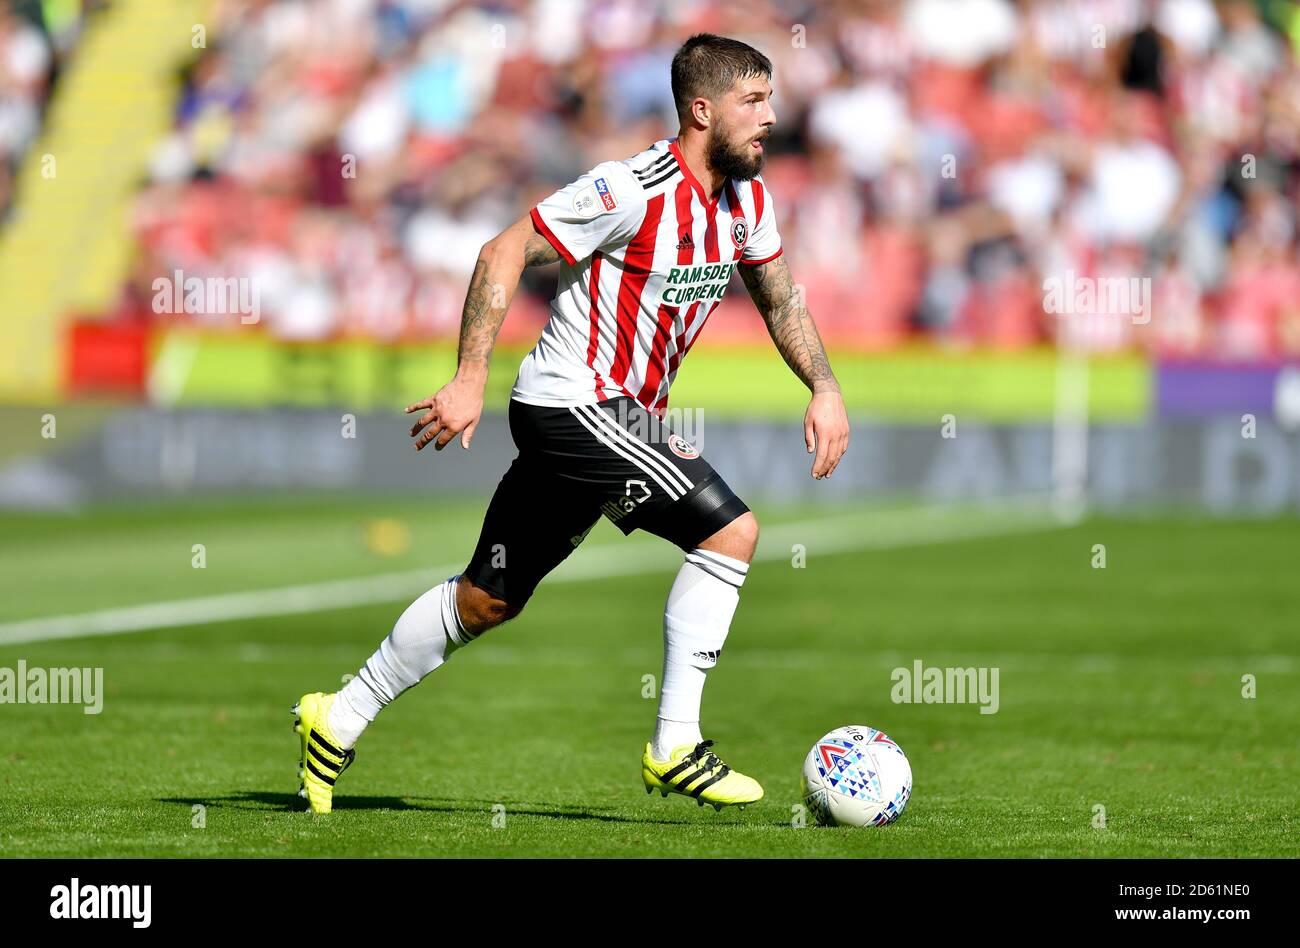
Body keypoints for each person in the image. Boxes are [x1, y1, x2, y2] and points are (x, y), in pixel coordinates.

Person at [292, 33, 849, 814]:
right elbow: (503, 250)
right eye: (753, 102)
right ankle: (675, 746)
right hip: (574, 403)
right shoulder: (630, 188)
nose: (771, 116)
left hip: (610, 417)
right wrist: (469, 375)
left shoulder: (746, 200)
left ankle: (338, 716)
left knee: (486, 598)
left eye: (770, 99)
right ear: (701, 110)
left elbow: (782, 298)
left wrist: (822, 386)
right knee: (731, 532)